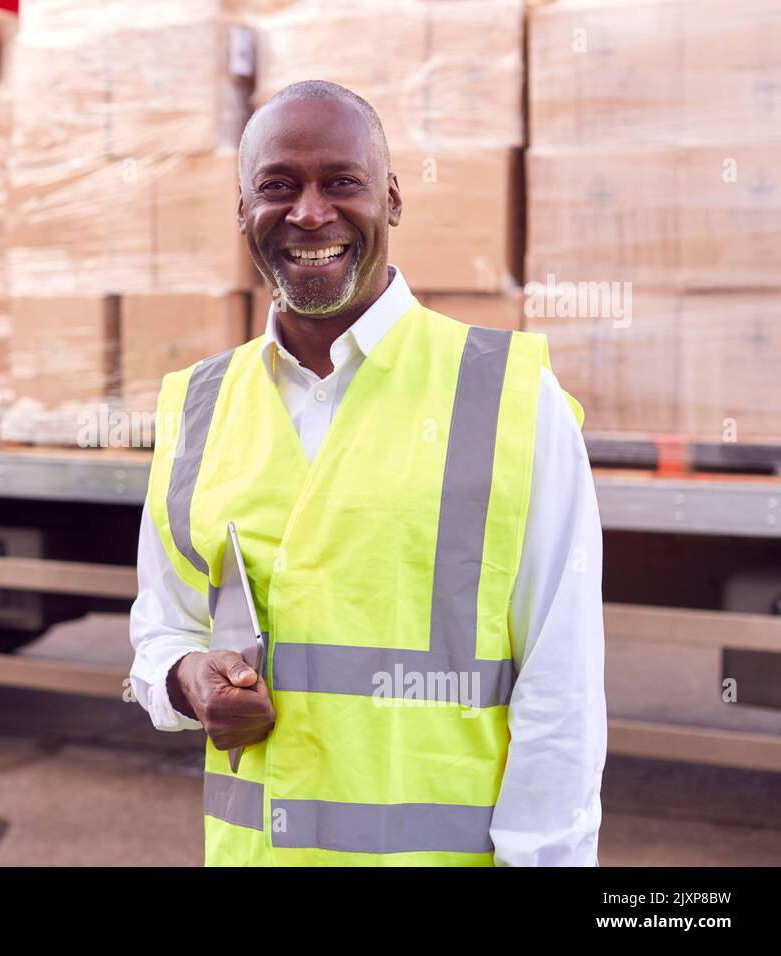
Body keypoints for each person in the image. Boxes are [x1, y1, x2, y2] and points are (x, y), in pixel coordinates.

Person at [129, 81, 606, 866]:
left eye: (341, 182)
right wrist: (186, 678)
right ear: (241, 210)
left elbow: (563, 690)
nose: (309, 213)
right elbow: (163, 625)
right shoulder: (197, 405)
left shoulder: (511, 396)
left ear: (390, 198)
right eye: (277, 186)